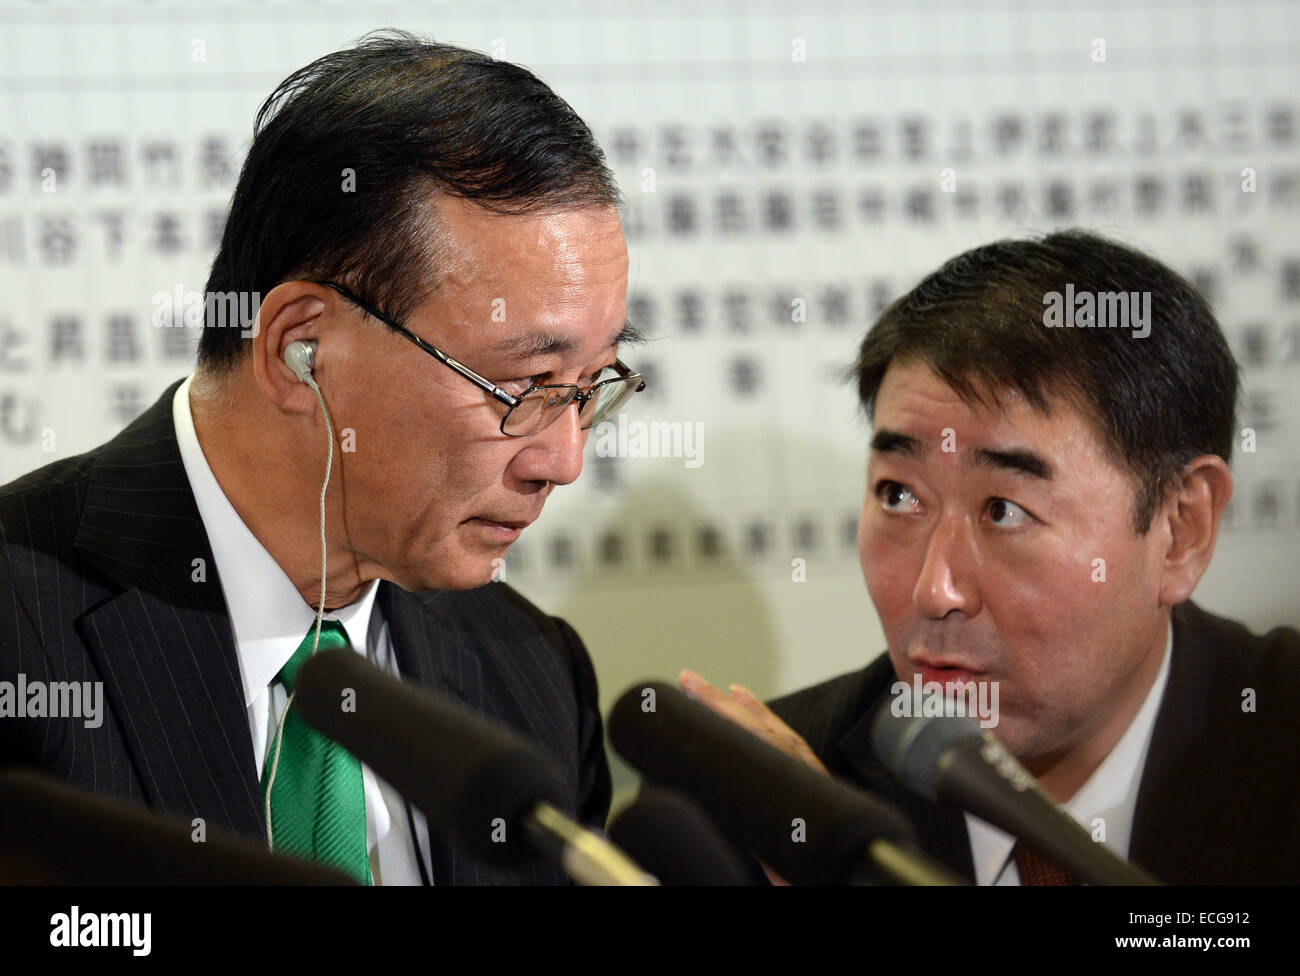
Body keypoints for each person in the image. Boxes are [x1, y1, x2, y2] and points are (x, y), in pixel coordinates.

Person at [0, 31, 643, 885]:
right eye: (525, 381)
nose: (562, 460)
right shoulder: (21, 628)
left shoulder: (530, 673)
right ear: (302, 349)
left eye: (591, 384)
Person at [681, 230, 1300, 884]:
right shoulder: (777, 806)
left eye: (1003, 510)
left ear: (1181, 527)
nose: (935, 591)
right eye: (899, 496)